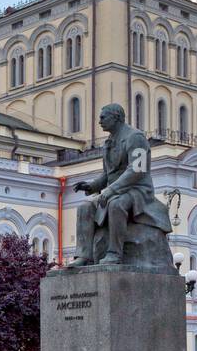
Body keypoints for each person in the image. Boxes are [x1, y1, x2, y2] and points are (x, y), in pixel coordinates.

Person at [70, 103, 173, 267]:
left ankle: (114, 254)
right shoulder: (109, 142)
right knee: (84, 207)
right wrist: (91, 186)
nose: (99, 122)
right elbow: (107, 174)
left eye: (103, 118)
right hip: (115, 191)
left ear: (116, 117)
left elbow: (136, 170)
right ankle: (84, 256)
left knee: (116, 205)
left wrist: (110, 191)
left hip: (137, 192)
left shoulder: (135, 137)